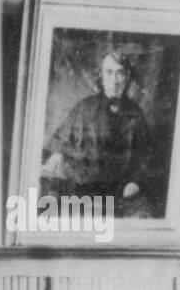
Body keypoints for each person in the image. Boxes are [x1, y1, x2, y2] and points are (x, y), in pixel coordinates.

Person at [41, 50, 157, 217]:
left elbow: (146, 156)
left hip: (121, 192)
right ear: (101, 77)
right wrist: (57, 154)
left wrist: (136, 182)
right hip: (85, 190)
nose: (115, 80)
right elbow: (59, 140)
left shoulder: (136, 114)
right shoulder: (84, 108)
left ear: (127, 77)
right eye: (109, 73)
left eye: (120, 73)